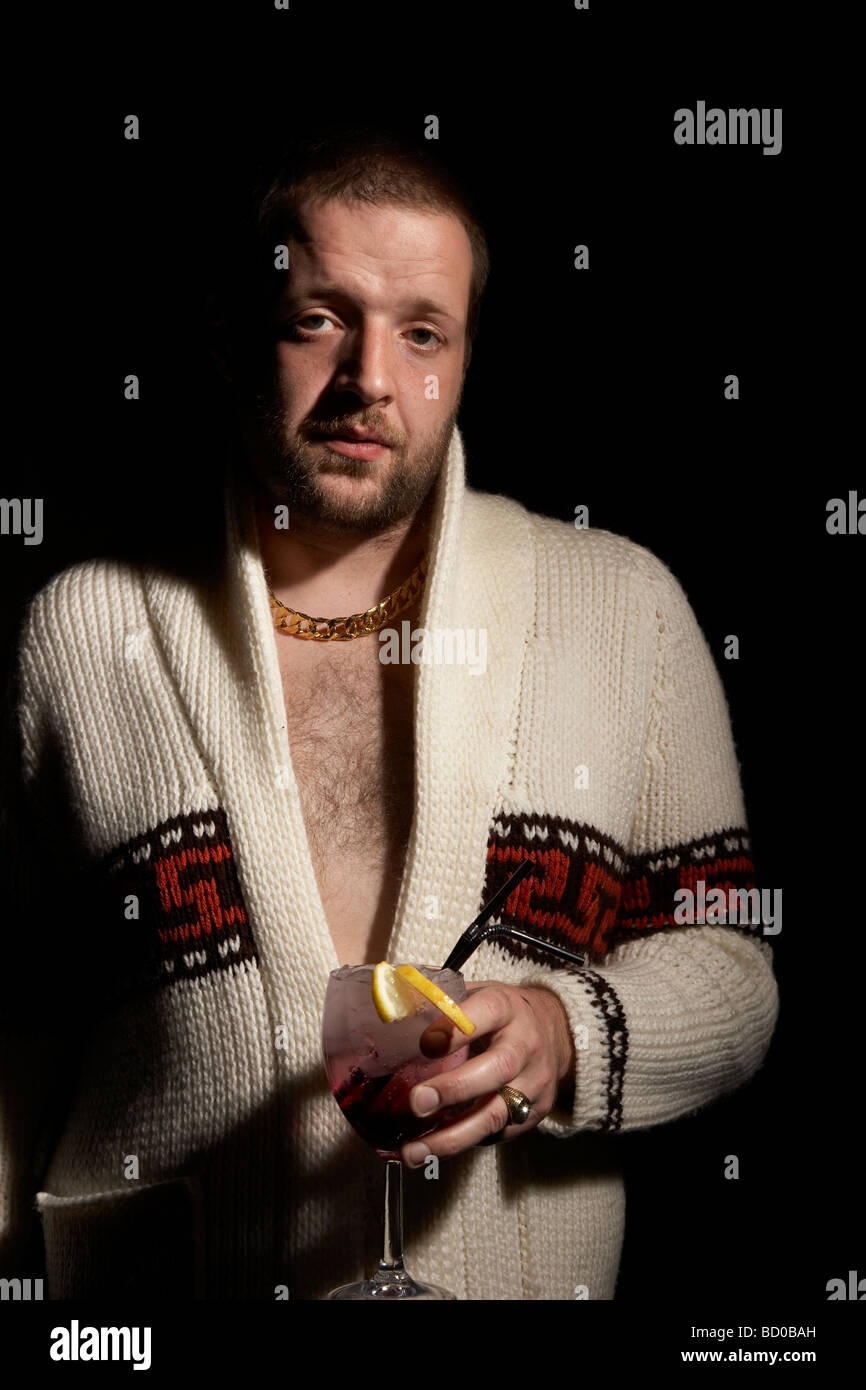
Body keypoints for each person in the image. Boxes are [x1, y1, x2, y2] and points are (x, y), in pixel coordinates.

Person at [1, 126, 779, 1300]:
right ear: (231, 331)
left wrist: (561, 1031)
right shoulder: (80, 629)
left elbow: (731, 959)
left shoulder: (620, 609)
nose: (370, 376)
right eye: (320, 316)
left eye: (422, 331)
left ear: (464, 357)